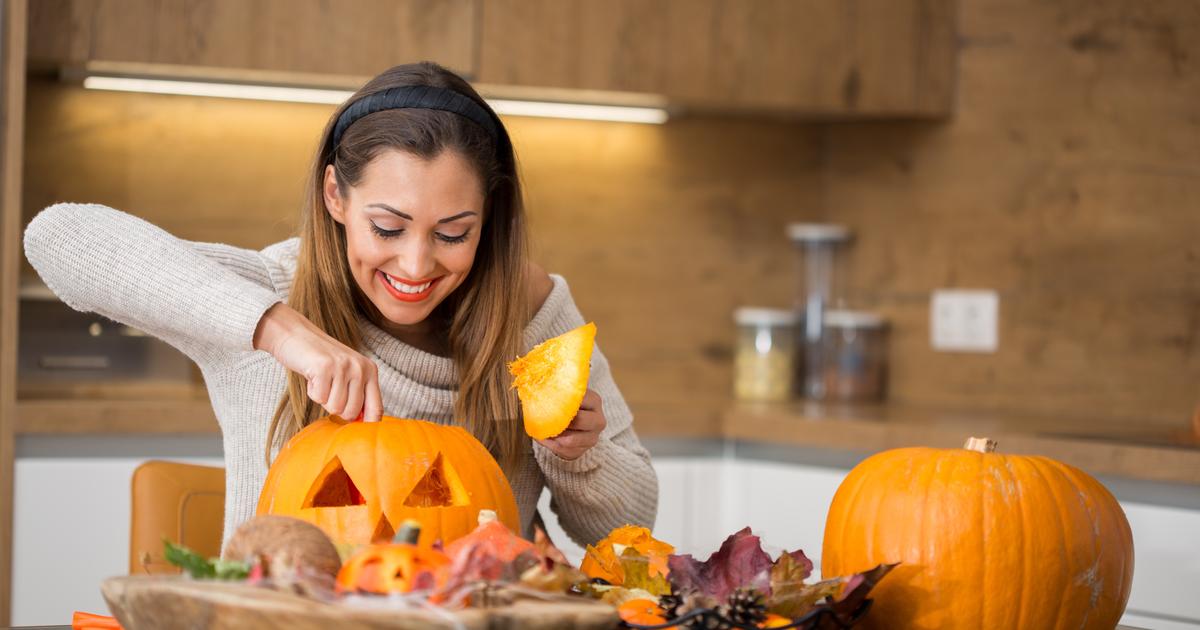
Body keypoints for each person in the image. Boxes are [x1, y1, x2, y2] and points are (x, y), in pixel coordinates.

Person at [23, 61, 658, 548]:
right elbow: (56, 237)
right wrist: (278, 329)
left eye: (453, 234)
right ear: (335, 195)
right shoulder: (272, 290)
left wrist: (577, 454)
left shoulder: (533, 316)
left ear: (488, 218)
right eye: (387, 228)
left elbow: (627, 526)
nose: (416, 265)